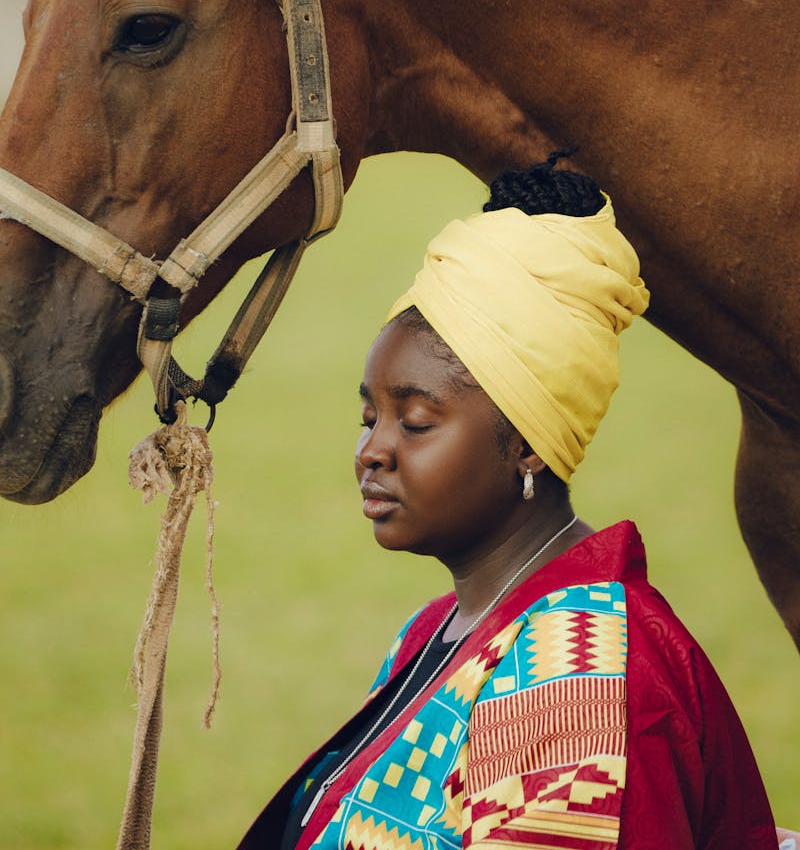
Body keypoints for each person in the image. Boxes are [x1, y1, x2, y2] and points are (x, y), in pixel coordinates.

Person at [237, 153, 778, 850]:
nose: (373, 450)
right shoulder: (435, 630)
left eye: (416, 421)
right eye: (369, 416)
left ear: (527, 444)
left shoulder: (575, 671)